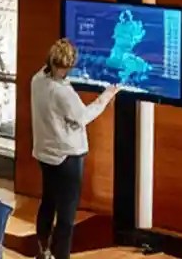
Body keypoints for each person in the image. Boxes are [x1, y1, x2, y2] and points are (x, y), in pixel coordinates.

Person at [30, 39, 118, 259]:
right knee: (67, 215)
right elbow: (83, 117)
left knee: (48, 201)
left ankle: (42, 250)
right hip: (67, 157)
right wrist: (106, 96)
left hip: (44, 154)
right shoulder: (62, 93)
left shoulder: (37, 79)